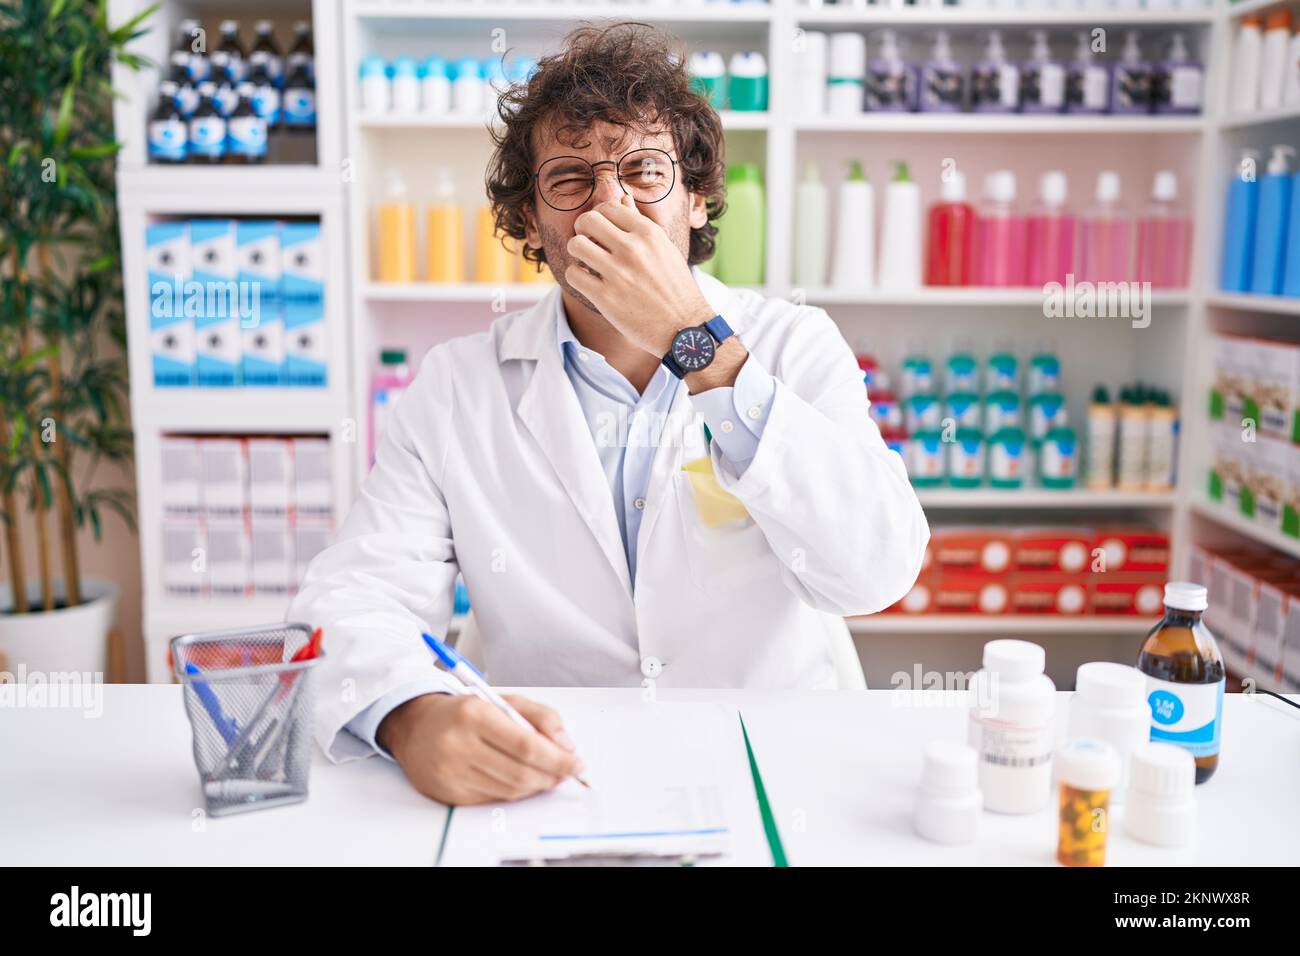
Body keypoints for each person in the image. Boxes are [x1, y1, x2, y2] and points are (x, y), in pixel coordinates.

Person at [287, 23, 928, 806]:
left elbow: (876, 570)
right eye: (570, 179)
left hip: (773, 772)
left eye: (645, 171)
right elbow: (354, 597)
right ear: (529, 223)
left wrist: (702, 351)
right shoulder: (457, 387)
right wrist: (408, 718)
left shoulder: (794, 345)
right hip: (551, 778)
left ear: (697, 201)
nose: (611, 203)